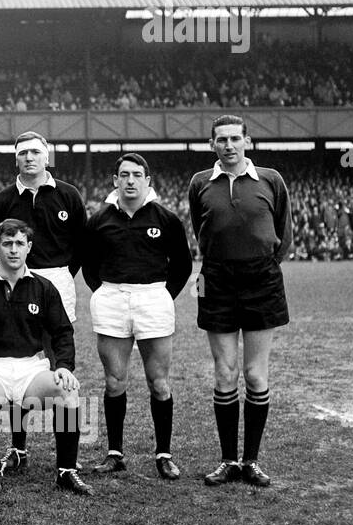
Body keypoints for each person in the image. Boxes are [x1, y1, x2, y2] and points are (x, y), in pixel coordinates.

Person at [188, 115, 292, 488]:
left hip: (261, 279)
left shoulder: (271, 179)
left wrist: (261, 267)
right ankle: (228, 460)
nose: (228, 145)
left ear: (247, 140)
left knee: (254, 374)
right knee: (224, 373)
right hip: (216, 279)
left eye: (235, 138)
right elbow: (201, 229)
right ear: (212, 144)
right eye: (221, 140)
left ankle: (252, 461)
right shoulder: (201, 183)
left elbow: (284, 234)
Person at [0, 220, 89, 496]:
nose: (13, 250)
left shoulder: (44, 287)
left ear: (29, 247)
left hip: (30, 368)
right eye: (7, 243)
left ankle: (66, 470)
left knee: (67, 389)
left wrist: (63, 366)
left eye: (19, 244)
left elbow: (62, 332)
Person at [82, 153, 193, 479]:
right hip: (112, 298)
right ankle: (115, 453)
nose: (130, 180)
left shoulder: (166, 218)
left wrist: (160, 296)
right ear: (115, 180)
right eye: (124, 174)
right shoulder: (99, 219)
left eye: (137, 175)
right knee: (114, 380)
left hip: (153, 298)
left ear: (148, 181)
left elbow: (183, 265)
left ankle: (163, 454)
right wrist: (106, 292)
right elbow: (88, 265)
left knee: (158, 382)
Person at [0, 131, 86, 471]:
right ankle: (18, 447)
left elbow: (81, 244)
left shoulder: (68, 195)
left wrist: (59, 275)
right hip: (14, 282)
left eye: (35, 152)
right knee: (19, 358)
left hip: (56, 279)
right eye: (23, 153)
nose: (29, 157)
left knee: (60, 365)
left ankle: (67, 462)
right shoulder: (2, 200)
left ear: (47, 157)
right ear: (16, 159)